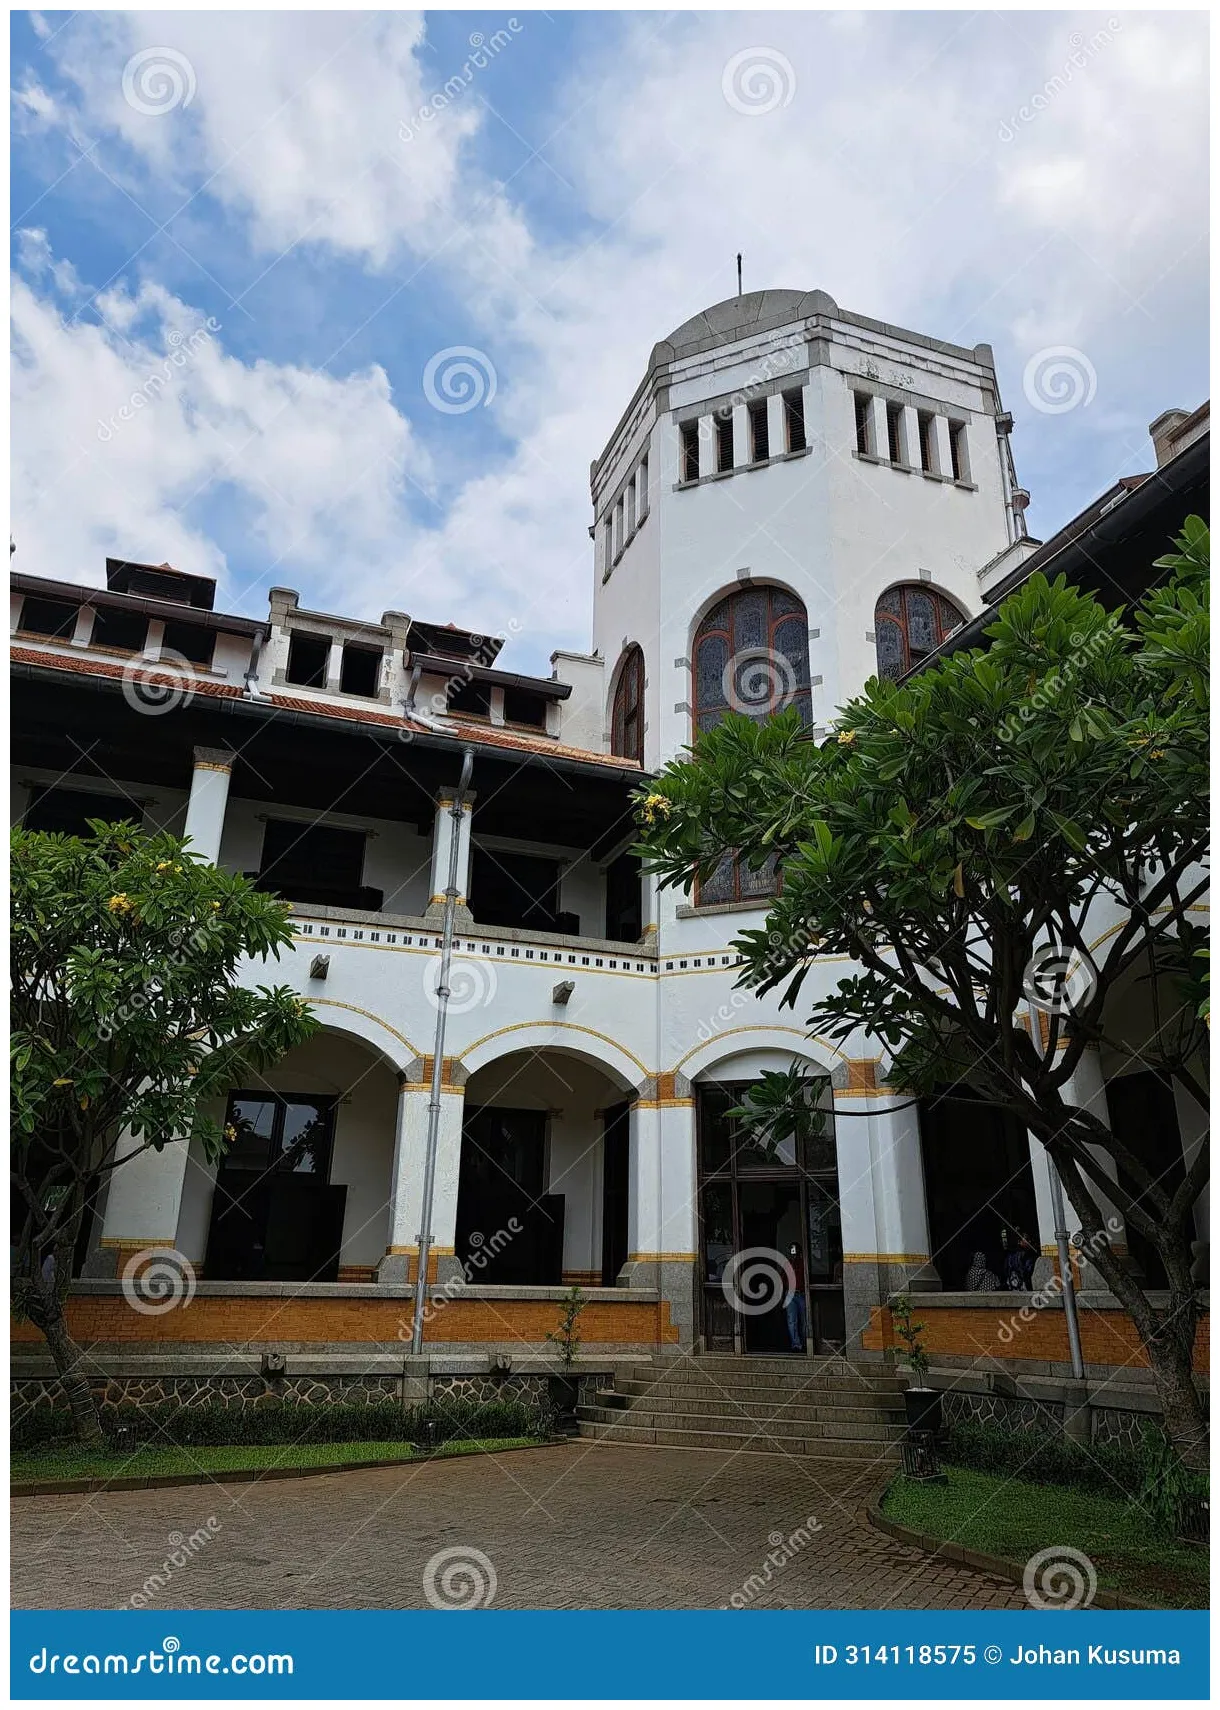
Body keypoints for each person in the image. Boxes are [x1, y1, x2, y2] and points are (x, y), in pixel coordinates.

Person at [783, 1243, 807, 1352]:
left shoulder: (803, 1263)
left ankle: (806, 1343)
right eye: (792, 1250)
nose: (793, 1253)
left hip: (801, 1293)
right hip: (790, 1293)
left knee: (804, 1320)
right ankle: (796, 1344)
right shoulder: (787, 1264)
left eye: (795, 1250)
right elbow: (782, 1277)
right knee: (792, 1320)